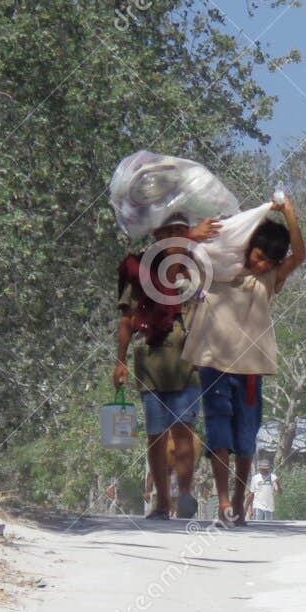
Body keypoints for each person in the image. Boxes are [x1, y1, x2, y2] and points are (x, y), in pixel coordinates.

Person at [181, 194, 306, 527]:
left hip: (250, 371)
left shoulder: (265, 281)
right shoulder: (214, 271)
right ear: (249, 246)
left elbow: (301, 255)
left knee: (245, 438)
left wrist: (289, 214)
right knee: (218, 432)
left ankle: (238, 501)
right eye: (259, 255)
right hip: (213, 366)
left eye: (269, 261)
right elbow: (178, 257)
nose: (262, 263)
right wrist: (191, 235)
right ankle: (224, 503)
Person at [114, 214, 221, 520]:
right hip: (150, 359)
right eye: (170, 231)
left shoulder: (194, 266)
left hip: (188, 359)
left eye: (181, 230)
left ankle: (185, 494)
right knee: (156, 434)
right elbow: (126, 320)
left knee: (185, 430)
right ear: (156, 233)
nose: (177, 235)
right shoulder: (138, 268)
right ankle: (162, 501)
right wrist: (120, 361)